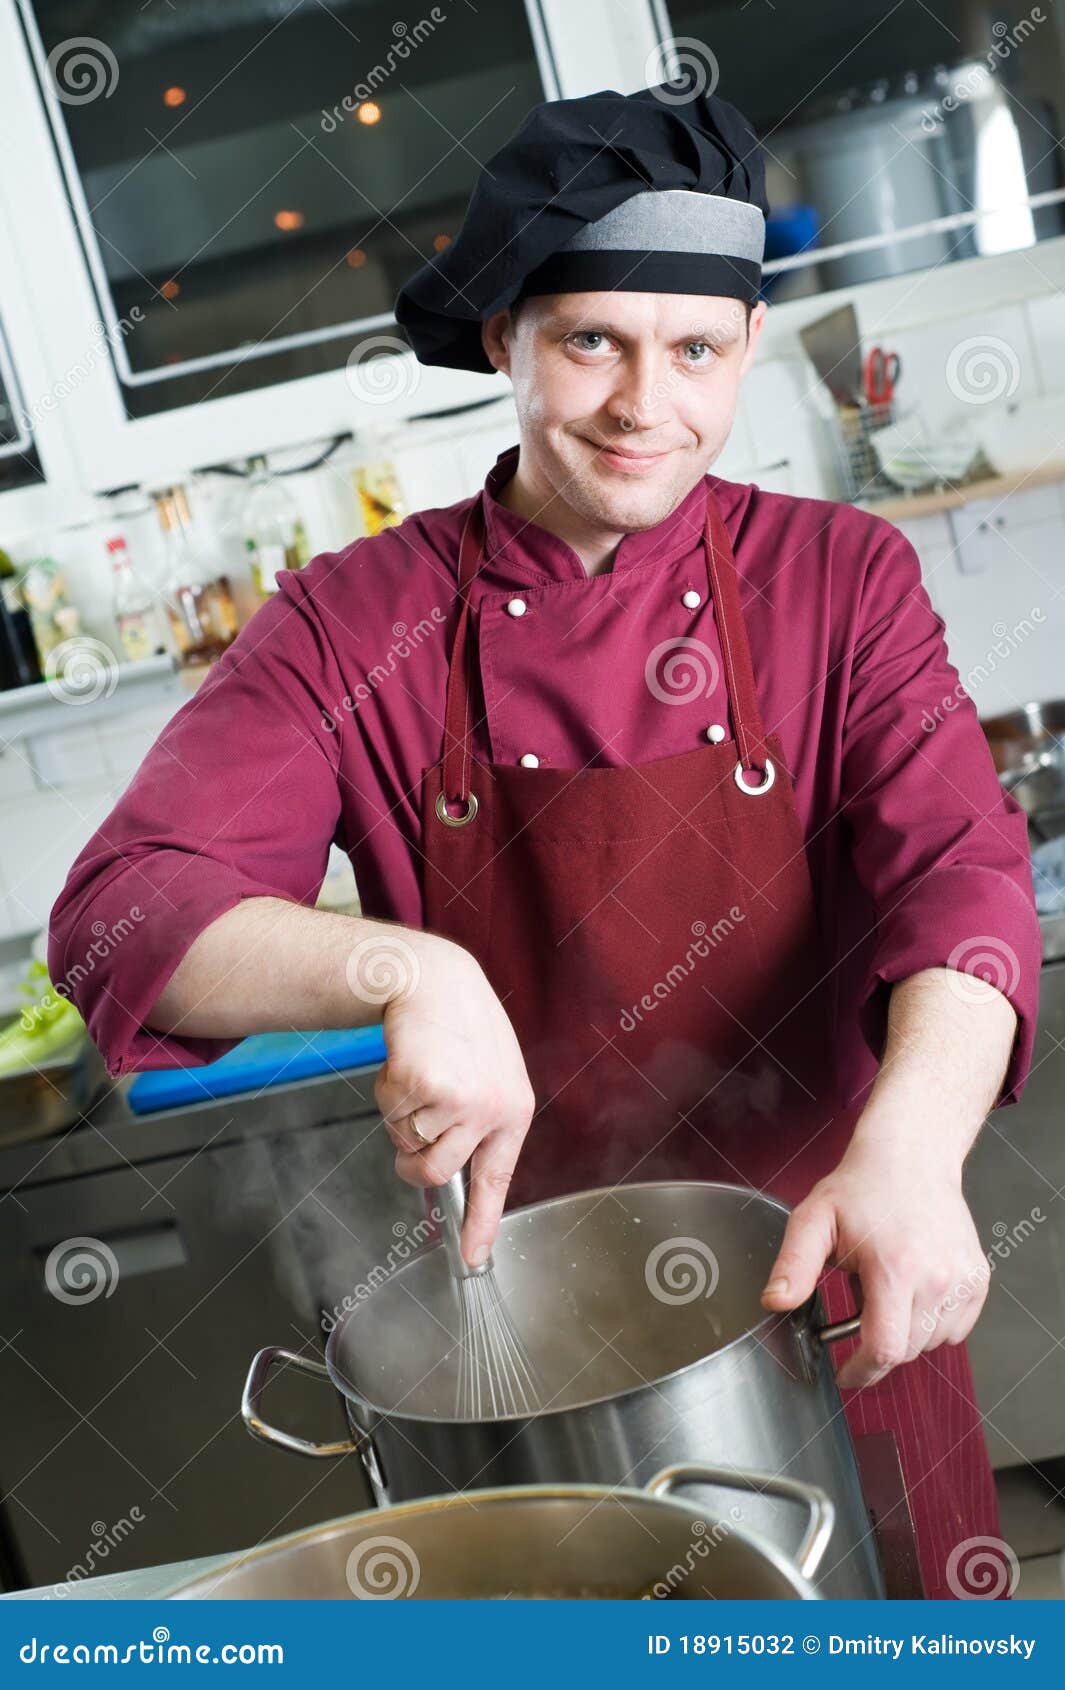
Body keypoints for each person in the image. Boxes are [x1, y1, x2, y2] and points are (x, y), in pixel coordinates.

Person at [50, 80, 1040, 1600]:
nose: (649, 404)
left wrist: (912, 1149)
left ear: (746, 351)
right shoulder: (354, 624)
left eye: (695, 349)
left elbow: (957, 883)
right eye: (592, 341)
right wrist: (406, 969)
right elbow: (122, 915)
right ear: (503, 337)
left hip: (843, 1292)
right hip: (538, 1382)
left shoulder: (838, 582)